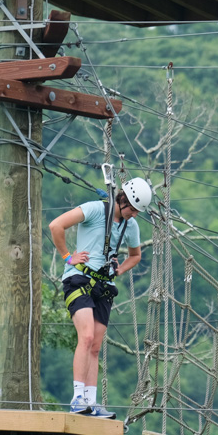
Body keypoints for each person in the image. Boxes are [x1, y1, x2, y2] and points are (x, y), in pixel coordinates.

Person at [48, 177, 153, 418]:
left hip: (104, 286)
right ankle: (77, 399)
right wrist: (67, 257)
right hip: (79, 280)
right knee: (85, 337)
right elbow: (56, 226)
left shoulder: (131, 225)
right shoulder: (95, 210)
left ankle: (91, 402)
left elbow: (135, 255)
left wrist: (119, 269)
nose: (134, 215)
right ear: (123, 200)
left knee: (95, 346)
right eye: (133, 209)